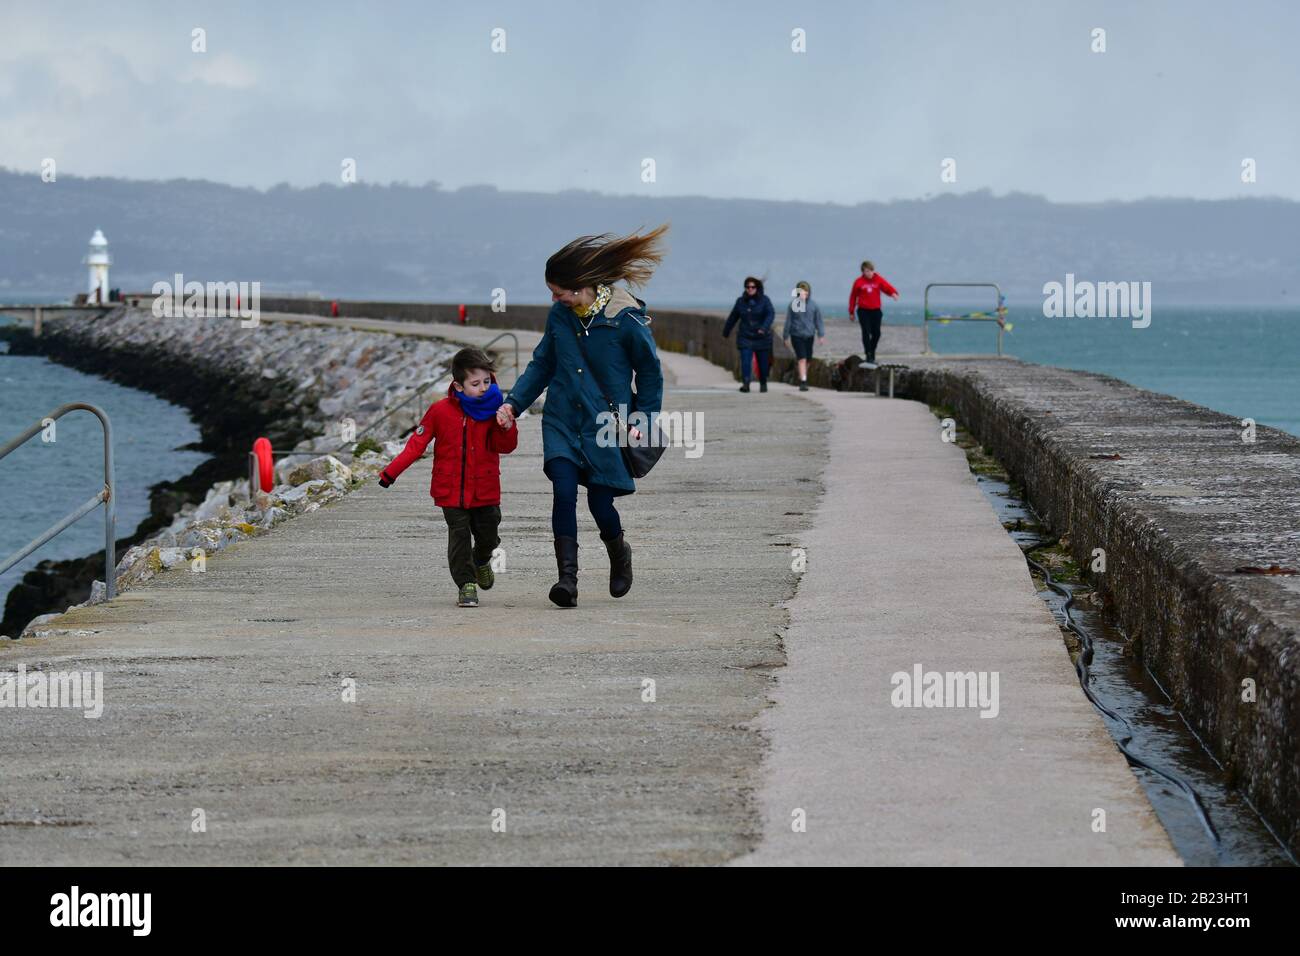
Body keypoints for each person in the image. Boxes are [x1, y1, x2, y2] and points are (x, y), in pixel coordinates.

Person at [495, 226, 666, 608]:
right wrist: (512, 404)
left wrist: (643, 419)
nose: (555, 299)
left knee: (600, 504)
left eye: (559, 292)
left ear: (581, 286)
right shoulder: (560, 316)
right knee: (563, 493)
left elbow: (651, 374)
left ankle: (619, 551)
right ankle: (566, 581)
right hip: (561, 420)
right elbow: (542, 364)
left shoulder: (626, 321)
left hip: (607, 424)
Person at [378, 348, 519, 608]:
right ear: (459, 385)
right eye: (475, 384)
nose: (483, 388)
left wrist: (507, 426)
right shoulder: (440, 411)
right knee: (459, 536)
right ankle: (466, 584)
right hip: (450, 489)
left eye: (487, 381)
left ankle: (481, 560)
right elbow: (416, 445)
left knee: (489, 533)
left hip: (485, 488)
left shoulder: (496, 409)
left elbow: (506, 446)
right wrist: (390, 473)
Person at [723, 276, 776, 392]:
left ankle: (763, 383)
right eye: (747, 287)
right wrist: (726, 331)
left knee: (763, 364)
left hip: (762, 337)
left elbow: (770, 314)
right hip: (745, 336)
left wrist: (763, 327)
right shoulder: (740, 302)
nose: (750, 289)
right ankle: (746, 383)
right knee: (745, 361)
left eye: (752, 287)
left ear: (757, 288)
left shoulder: (765, 300)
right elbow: (733, 317)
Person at [847, 260, 899, 366]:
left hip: (876, 310)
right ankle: (869, 354)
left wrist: (893, 293)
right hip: (863, 311)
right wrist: (851, 312)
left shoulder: (877, 278)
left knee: (877, 333)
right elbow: (853, 297)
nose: (869, 273)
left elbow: (886, 286)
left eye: (870, 271)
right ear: (863, 272)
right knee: (866, 332)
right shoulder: (858, 282)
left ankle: (872, 350)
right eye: (866, 271)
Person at [781, 280, 825, 391]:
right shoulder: (793, 305)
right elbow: (788, 322)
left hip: (809, 336)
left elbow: (818, 321)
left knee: (808, 359)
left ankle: (802, 375)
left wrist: (821, 335)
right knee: (802, 359)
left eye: (805, 292)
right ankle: (803, 381)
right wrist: (785, 337)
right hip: (796, 335)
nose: (803, 294)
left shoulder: (814, 306)